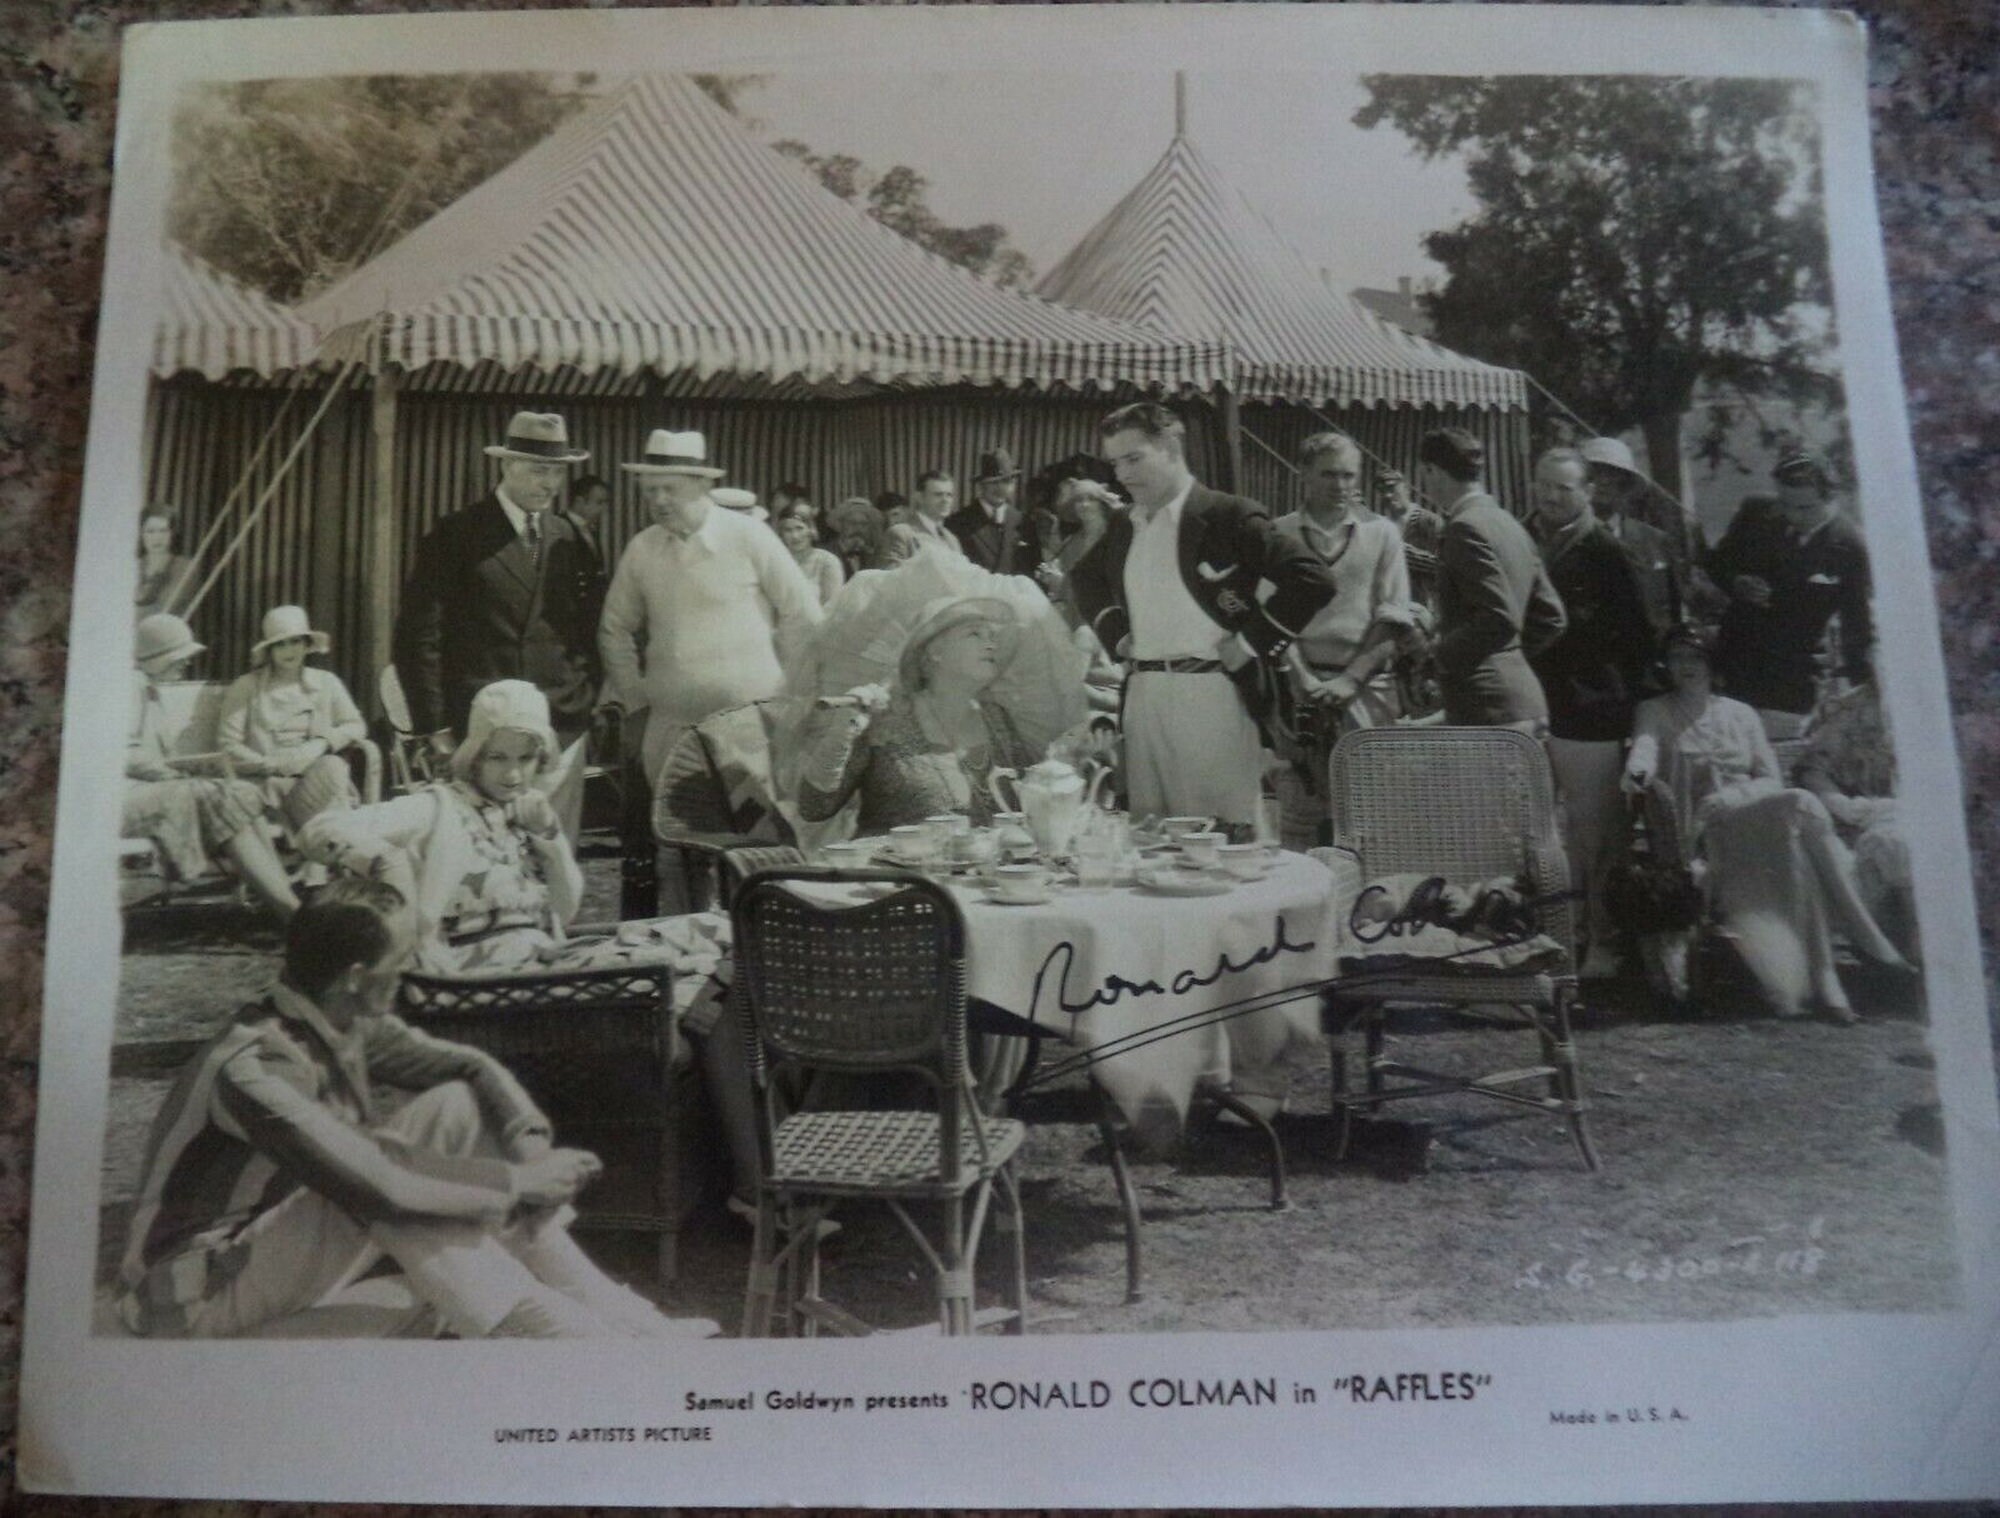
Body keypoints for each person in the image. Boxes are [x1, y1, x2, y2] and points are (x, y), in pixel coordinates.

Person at [116, 875, 718, 1340]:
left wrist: (528, 1141)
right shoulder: (255, 1064)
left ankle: (622, 1319)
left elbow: (470, 1068)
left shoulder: (338, 1021)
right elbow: (380, 1189)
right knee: (379, 1187)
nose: (411, 970)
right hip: (192, 1294)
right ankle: (568, 1334)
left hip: (263, 1255)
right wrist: (519, 1183)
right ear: (357, 976)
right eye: (402, 959)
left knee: (450, 1109)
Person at [306, 680, 763, 1222]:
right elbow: (320, 828)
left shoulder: (523, 812)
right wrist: (388, 865)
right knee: (710, 988)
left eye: (526, 759)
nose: (513, 774)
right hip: (493, 990)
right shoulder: (437, 808)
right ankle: (753, 1184)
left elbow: (565, 913)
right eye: (498, 757)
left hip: (545, 969)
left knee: (726, 941)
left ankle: (743, 1166)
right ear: (474, 755)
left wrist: (550, 841)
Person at [1068, 402, 1336, 830]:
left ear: (1172, 448)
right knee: (1148, 839)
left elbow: (1312, 579)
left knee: (1219, 839)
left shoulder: (1227, 515)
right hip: (1143, 700)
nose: (1122, 475)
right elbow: (1083, 577)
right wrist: (1116, 634)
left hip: (1212, 697)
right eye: (1116, 463)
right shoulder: (1124, 524)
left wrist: (1251, 643)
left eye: (1134, 458)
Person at [1624, 624, 1910, 1022]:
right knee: (1802, 804)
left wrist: (1731, 796)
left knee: (1798, 827)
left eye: (1695, 657)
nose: (1685, 665)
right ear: (1665, 664)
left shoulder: (1741, 714)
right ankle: (1863, 946)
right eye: (1676, 657)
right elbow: (1645, 745)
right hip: (1704, 835)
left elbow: (1770, 779)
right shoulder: (1654, 710)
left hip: (1755, 823)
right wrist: (1637, 769)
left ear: (1712, 663)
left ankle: (1828, 978)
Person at [392, 410, 601, 834]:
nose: (549, 483)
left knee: (555, 849)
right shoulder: (457, 534)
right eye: (538, 470)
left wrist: (583, 696)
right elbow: (418, 637)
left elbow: (585, 627)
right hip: (483, 733)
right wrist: (435, 727)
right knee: (487, 853)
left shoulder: (567, 537)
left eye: (557, 471)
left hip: (559, 727)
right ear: (507, 465)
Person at [597, 429, 821, 787]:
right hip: (670, 734)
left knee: (753, 821)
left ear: (702, 485)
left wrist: (793, 696)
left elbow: (803, 614)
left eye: (669, 488)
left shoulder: (749, 535)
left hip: (750, 733)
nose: (659, 500)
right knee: (674, 822)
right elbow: (614, 628)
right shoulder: (642, 548)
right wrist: (635, 701)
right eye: (650, 491)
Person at [1526, 448, 1657, 977]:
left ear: (1587, 492)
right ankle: (1551, 934)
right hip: (1530, 704)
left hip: (1590, 710)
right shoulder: (1520, 537)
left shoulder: (1608, 551)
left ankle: (1602, 940)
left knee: (1596, 835)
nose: (1552, 497)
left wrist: (1620, 703)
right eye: (1545, 485)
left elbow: (1639, 637)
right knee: (1533, 831)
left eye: (1565, 488)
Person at [1270, 431, 1416, 848]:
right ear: (1304, 474)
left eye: (1349, 475)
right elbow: (1270, 615)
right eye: (1329, 474)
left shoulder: (1382, 533)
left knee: (1369, 817)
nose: (1340, 485)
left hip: (1366, 688)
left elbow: (1393, 615)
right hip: (1298, 690)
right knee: (1299, 816)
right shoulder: (1280, 533)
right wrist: (1300, 677)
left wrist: (1350, 680)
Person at [795, 596, 1042, 834]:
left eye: (992, 636)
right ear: (935, 651)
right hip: (896, 864)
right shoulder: (883, 719)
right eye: (974, 634)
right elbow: (814, 807)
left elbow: (1032, 797)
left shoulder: (996, 718)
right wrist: (841, 733)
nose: (991, 645)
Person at [125, 613, 299, 922]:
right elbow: (122, 755)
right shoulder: (128, 687)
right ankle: (290, 911)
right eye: (180, 656)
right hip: (123, 796)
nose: (187, 662)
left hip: (149, 787)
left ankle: (281, 898)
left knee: (239, 793)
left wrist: (177, 770)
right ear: (158, 657)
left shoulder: (147, 688)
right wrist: (171, 772)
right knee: (213, 796)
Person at [1708, 447, 1875, 740]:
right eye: (1785, 503)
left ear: (1830, 498)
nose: (1792, 515)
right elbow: (1716, 562)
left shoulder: (1852, 545)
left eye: (1805, 508)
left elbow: (1857, 625)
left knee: (1784, 754)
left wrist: (1864, 689)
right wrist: (1736, 582)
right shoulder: (1756, 512)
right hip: (1735, 663)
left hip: (1794, 678)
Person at [1421, 426, 1567, 730]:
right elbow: (1551, 617)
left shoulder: (1464, 527)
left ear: (1433, 471)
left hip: (1487, 706)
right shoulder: (1509, 522)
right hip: (1524, 702)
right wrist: (1509, 657)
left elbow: (1499, 618)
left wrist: (1440, 654)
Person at [217, 605, 368, 841]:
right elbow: (228, 746)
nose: (289, 650)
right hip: (266, 791)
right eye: (280, 644)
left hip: (312, 784)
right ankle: (321, 850)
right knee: (331, 815)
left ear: (307, 644)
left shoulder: (326, 682)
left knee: (333, 765)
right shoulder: (246, 687)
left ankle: (317, 845)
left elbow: (355, 725)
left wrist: (320, 744)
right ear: (269, 650)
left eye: (295, 641)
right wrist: (272, 765)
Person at [1793, 678, 1915, 960]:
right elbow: (1812, 770)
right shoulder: (1852, 708)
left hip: (1927, 816)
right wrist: (1845, 806)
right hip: (1868, 824)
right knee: (1892, 843)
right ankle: (1916, 950)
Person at [1580, 436, 1690, 636]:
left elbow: (1675, 614)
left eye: (1613, 473)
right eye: (1595, 472)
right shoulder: (1563, 538)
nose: (1604, 481)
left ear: (1626, 484)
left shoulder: (1655, 541)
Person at [945, 448, 1036, 573]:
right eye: (993, 482)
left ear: (1014, 486)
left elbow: (1032, 568)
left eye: (1006, 482)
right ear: (981, 485)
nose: (1000, 488)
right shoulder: (958, 523)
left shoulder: (1024, 522)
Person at [558, 471, 613, 627]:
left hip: (591, 618)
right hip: (571, 621)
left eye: (605, 503)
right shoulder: (558, 528)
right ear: (579, 501)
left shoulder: (590, 531)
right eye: (599, 502)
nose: (603, 509)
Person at [773, 496, 845, 608]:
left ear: (811, 530)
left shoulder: (827, 562)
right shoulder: (776, 562)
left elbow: (832, 606)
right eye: (788, 530)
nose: (795, 536)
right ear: (781, 535)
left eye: (799, 528)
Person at [135, 508, 198, 623]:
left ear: (172, 533)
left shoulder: (185, 567)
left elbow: (169, 606)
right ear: (141, 534)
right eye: (150, 531)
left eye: (163, 531)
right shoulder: (133, 567)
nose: (157, 537)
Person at [827, 496, 890, 578]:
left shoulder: (873, 557)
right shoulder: (826, 553)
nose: (858, 528)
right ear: (840, 525)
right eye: (852, 523)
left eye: (863, 524)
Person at [904, 470, 964, 555]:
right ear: (919, 497)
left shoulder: (952, 540)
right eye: (938, 494)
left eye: (949, 495)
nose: (945, 500)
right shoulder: (903, 534)